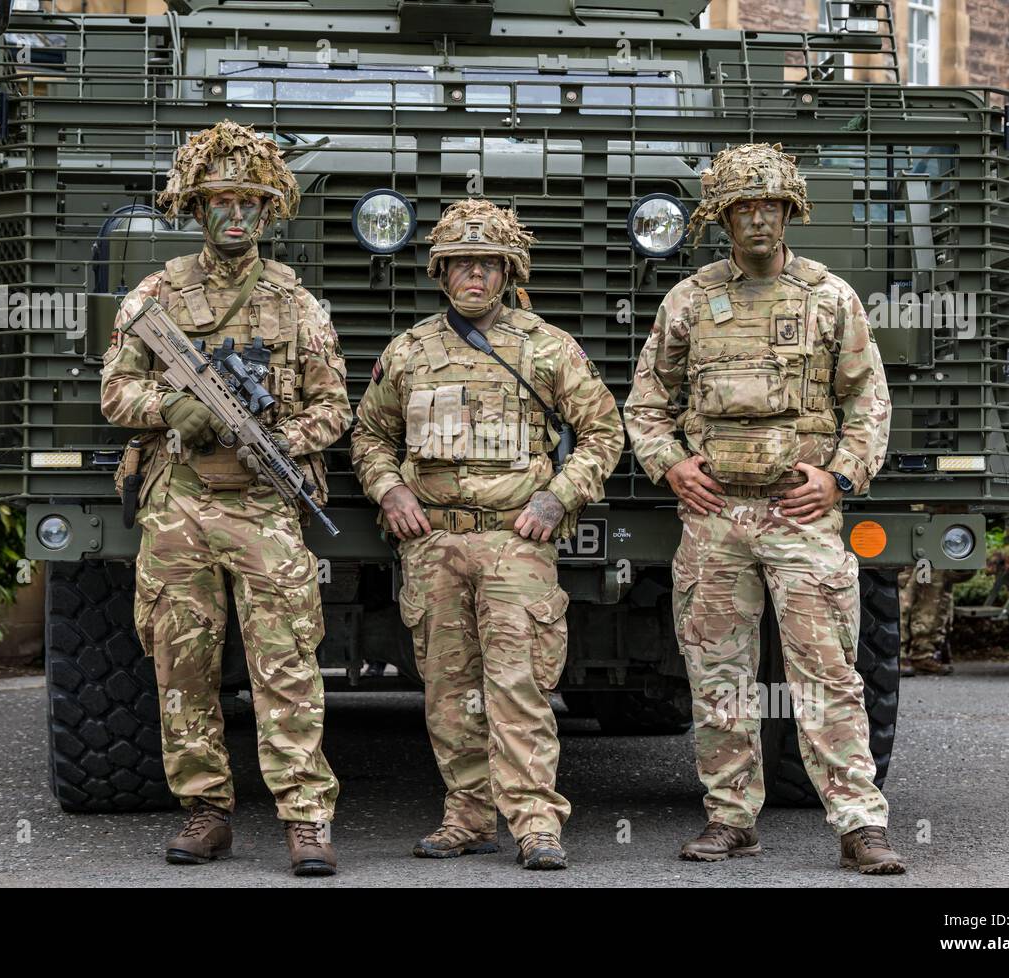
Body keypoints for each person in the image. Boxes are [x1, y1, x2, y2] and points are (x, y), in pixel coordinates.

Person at [624, 143, 906, 874]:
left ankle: (859, 825)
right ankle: (729, 817)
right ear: (722, 218)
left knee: (828, 672)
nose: (757, 220)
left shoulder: (830, 298)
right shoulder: (688, 302)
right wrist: (672, 464)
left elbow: (868, 401)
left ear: (789, 212)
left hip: (800, 516)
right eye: (743, 207)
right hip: (716, 518)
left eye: (770, 206)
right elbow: (647, 405)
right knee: (719, 676)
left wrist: (839, 478)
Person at [100, 120, 348, 876]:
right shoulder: (156, 295)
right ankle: (206, 812)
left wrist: (275, 436)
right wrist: (171, 407)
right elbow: (115, 392)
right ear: (196, 209)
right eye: (220, 203)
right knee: (182, 663)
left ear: (268, 213)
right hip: (177, 502)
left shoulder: (297, 304)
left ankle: (306, 820)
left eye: (248, 203)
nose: (235, 216)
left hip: (266, 505)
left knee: (287, 665)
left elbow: (335, 407)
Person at [350, 199, 624, 870]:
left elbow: (604, 432)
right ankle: (467, 817)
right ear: (441, 273)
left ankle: (535, 823)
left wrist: (559, 498)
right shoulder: (409, 351)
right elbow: (369, 436)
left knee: (518, 686)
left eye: (489, 265)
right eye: (462, 265)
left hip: (514, 543)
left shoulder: (547, 347)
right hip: (435, 546)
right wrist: (390, 489)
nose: (475, 277)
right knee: (448, 691)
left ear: (508, 272)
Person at [898, 567, 970, 675]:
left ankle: (923, 653)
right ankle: (897, 655)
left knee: (933, 598)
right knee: (905, 594)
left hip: (934, 556)